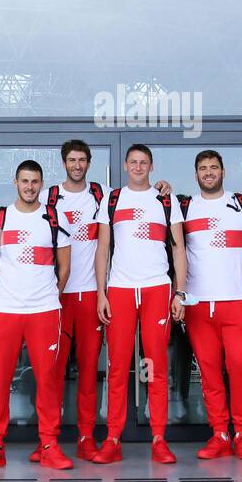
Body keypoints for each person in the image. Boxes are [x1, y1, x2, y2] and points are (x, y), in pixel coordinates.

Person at [0, 161, 72, 470]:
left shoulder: (54, 217)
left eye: (35, 181)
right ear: (15, 183)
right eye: (25, 181)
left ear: (41, 184)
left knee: (47, 381)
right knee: (0, 380)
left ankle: (49, 444)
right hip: (6, 311)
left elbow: (65, 266)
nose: (30, 186)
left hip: (44, 310)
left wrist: (50, 299)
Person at [93, 144, 186, 464]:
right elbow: (103, 249)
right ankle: (113, 438)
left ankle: (159, 438)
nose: (137, 167)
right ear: (125, 165)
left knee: (155, 366)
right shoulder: (112, 198)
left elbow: (179, 250)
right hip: (119, 289)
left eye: (143, 162)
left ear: (151, 166)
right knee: (117, 368)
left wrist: (180, 292)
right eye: (133, 162)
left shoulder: (165, 199)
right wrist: (101, 292)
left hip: (156, 288)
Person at [180, 150, 242, 459]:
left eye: (213, 167)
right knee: (209, 372)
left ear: (223, 171)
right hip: (199, 303)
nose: (208, 172)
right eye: (203, 168)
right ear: (196, 174)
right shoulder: (184, 207)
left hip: (237, 301)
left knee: (239, 367)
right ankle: (219, 434)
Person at [44, 140, 106, 462]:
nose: (77, 165)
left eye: (82, 160)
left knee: (87, 372)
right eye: (72, 160)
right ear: (64, 162)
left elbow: (140, 196)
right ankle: (48, 441)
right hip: (56, 297)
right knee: (51, 372)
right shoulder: (49, 197)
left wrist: (164, 187)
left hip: (90, 296)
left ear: (89, 162)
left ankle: (86, 438)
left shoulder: (103, 195)